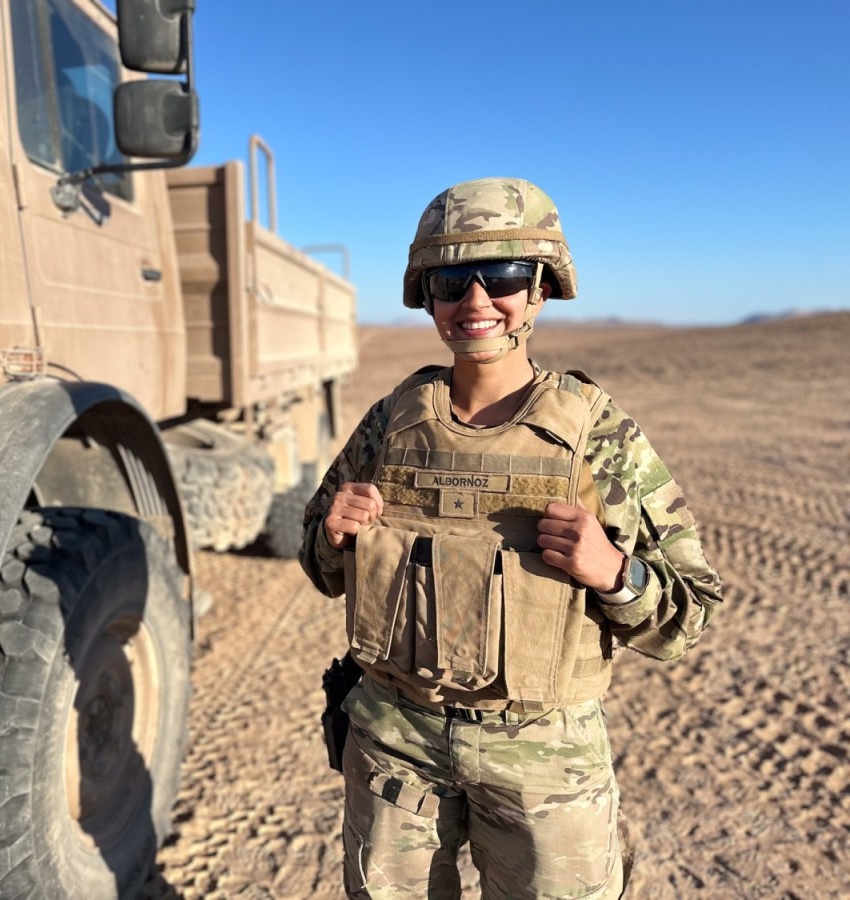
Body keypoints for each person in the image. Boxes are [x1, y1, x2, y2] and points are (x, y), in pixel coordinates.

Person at [300, 177, 722, 899]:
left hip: (544, 762)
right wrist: (332, 539)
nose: (473, 302)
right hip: (395, 745)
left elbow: (690, 613)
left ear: (539, 291)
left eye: (499, 277)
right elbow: (322, 561)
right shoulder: (394, 421)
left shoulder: (596, 433)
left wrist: (615, 572)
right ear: (425, 294)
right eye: (448, 279)